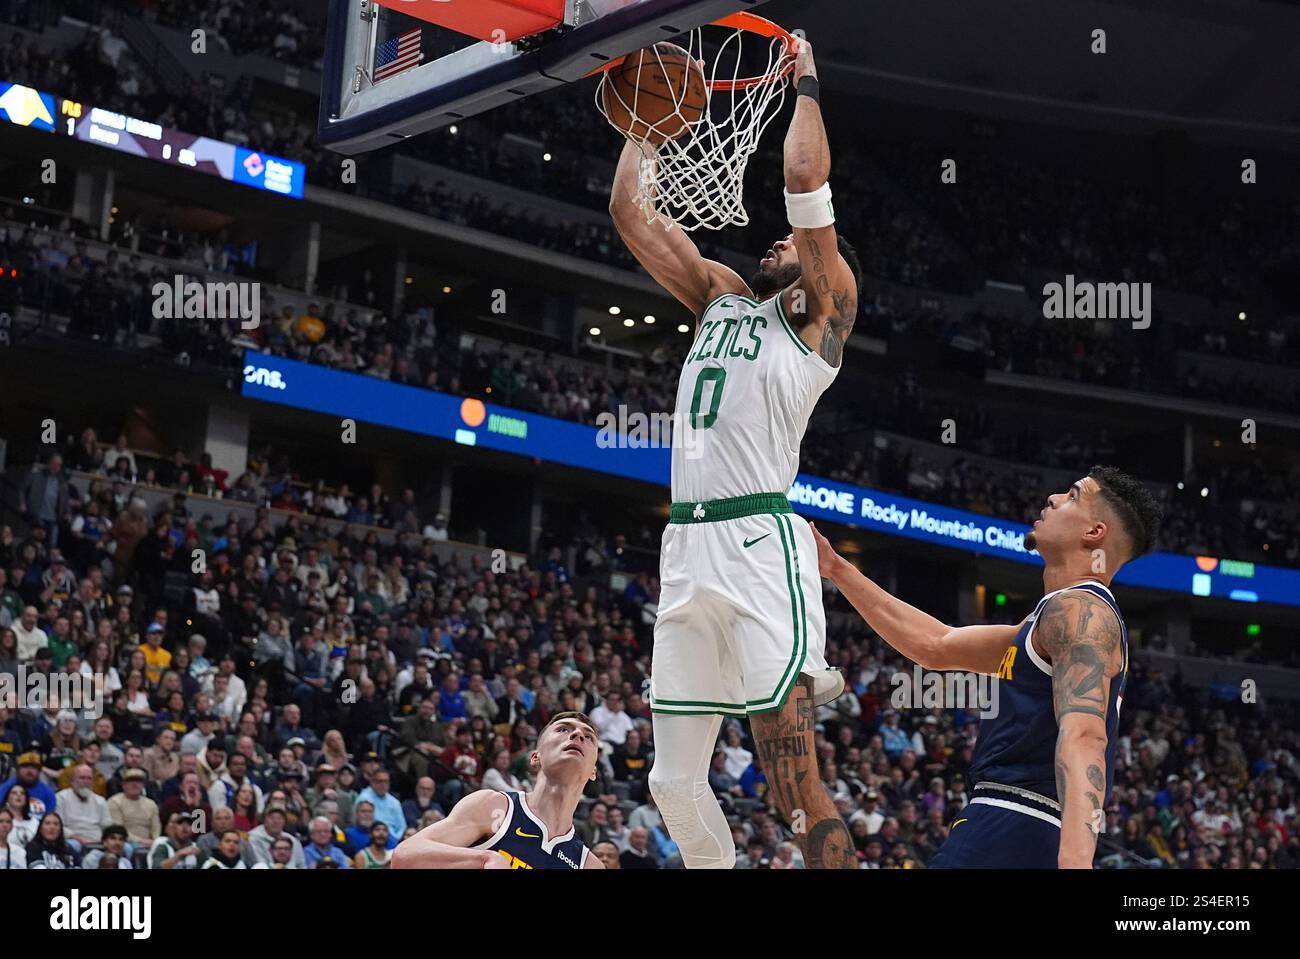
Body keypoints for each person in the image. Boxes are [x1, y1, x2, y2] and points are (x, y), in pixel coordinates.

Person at [609, 39, 860, 870]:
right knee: (673, 784)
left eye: (792, 247)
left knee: (794, 785)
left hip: (759, 544)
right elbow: (632, 216)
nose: (773, 248)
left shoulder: (824, 311)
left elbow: (800, 184)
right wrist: (646, 127)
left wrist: (806, 84)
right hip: (686, 543)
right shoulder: (721, 298)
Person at [812, 468, 1162, 869]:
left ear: (1094, 532)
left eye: (1072, 495)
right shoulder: (1051, 617)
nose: (1053, 498)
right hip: (1010, 824)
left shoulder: (1082, 611)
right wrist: (836, 568)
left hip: (1018, 820)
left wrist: (1076, 861)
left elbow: (1084, 736)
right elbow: (935, 646)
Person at [392, 712, 604, 869]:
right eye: (563, 729)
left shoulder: (588, 865)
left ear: (593, 771)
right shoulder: (496, 808)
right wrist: (485, 859)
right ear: (535, 757)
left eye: (589, 737)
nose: (577, 734)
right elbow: (405, 856)